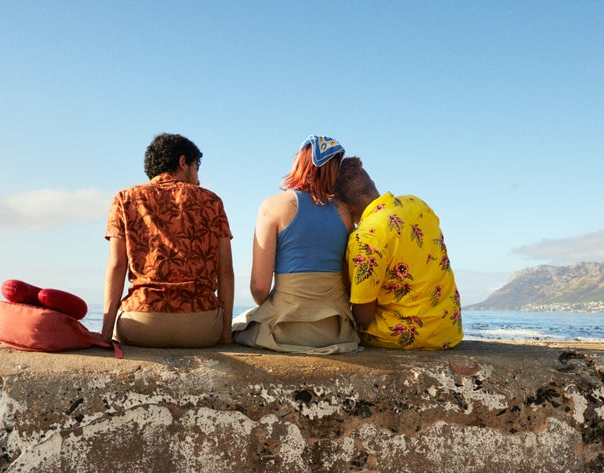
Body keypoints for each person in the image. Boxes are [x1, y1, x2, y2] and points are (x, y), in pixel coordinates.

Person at [102, 133, 235, 347]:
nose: (198, 179)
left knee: (124, 324)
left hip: (142, 324)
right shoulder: (212, 201)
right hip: (201, 327)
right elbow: (226, 272)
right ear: (183, 162)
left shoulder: (124, 199)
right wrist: (226, 335)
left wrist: (105, 334)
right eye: (196, 168)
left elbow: (117, 266)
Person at [232, 136, 359, 354]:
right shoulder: (347, 213)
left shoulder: (273, 206)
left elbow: (259, 287)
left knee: (239, 323)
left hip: (283, 330)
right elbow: (349, 284)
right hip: (336, 332)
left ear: (300, 163)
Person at [334, 157, 463, 349]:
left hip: (409, 336)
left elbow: (364, 316)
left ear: (345, 207)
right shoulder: (416, 203)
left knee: (333, 330)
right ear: (373, 185)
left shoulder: (365, 238)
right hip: (448, 329)